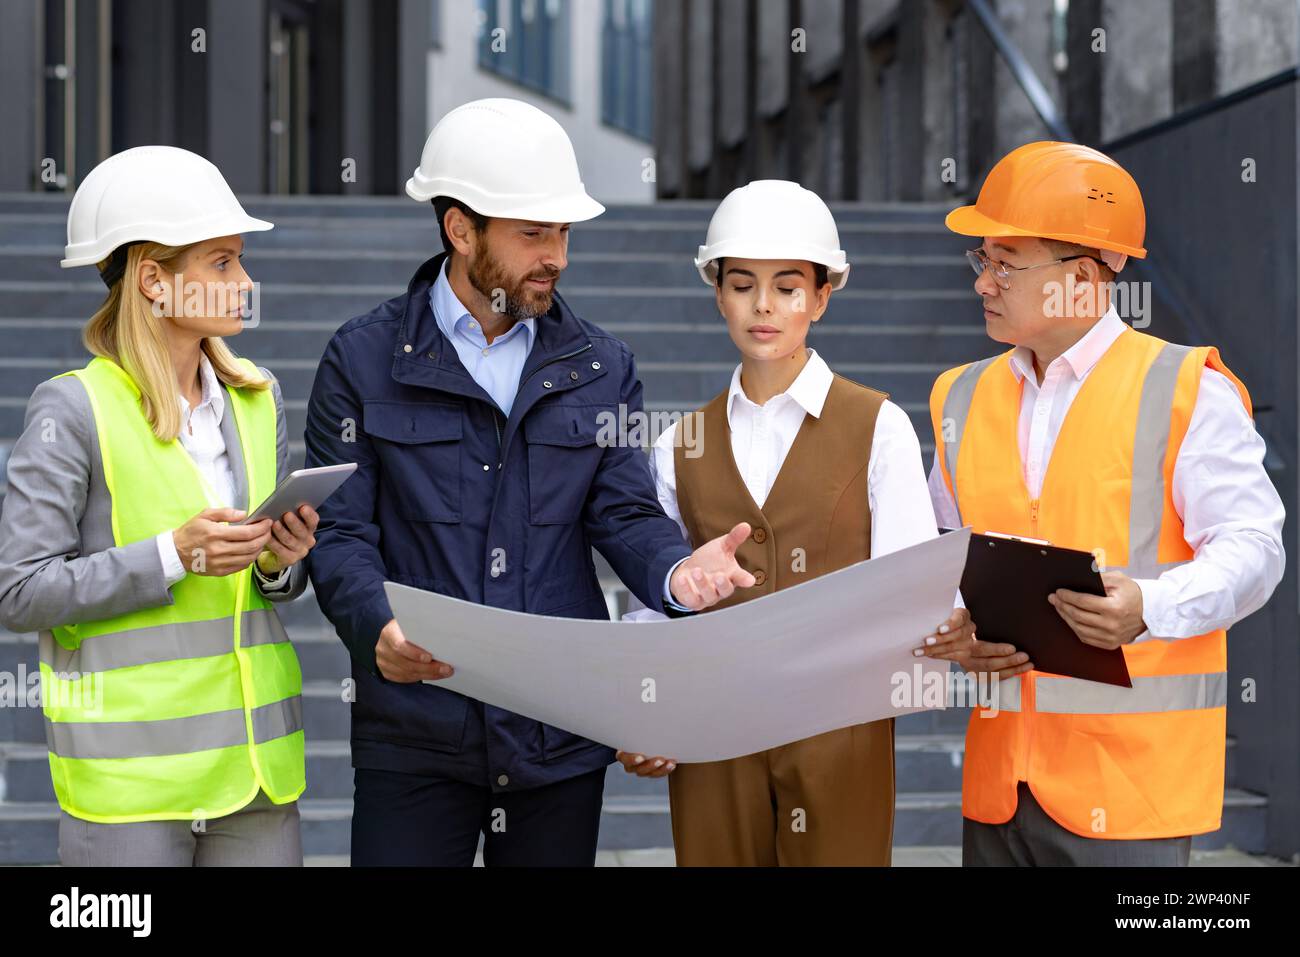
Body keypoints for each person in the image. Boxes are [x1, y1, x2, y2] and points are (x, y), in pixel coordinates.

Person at [304, 98, 754, 867]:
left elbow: (624, 511)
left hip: (556, 734)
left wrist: (677, 572)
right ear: (461, 229)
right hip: (415, 735)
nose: (559, 256)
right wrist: (375, 626)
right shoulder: (363, 359)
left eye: (564, 232)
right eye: (534, 233)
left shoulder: (602, 367)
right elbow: (341, 531)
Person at [921, 141, 1285, 865]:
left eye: (1004, 263)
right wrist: (951, 631)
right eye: (983, 260)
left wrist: (1147, 605)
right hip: (999, 788)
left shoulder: (1185, 389)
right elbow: (935, 556)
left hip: (1130, 792)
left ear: (1081, 278)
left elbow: (1255, 549)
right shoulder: (960, 395)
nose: (983, 283)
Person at [618, 179, 971, 866]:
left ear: (821, 295)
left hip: (840, 732)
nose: (763, 306)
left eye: (786, 286)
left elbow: (908, 593)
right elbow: (652, 606)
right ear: (717, 292)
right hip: (711, 732)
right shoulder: (677, 443)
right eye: (743, 284)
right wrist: (648, 710)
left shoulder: (880, 426)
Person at [0, 146, 320, 866]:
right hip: (130, 786)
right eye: (222, 262)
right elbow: (18, 590)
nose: (245, 282)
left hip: (255, 778)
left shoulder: (256, 397)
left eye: (239, 260)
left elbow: (268, 590)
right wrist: (175, 554)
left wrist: (278, 562)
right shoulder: (73, 409)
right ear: (154, 280)